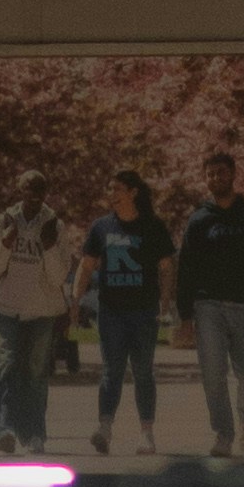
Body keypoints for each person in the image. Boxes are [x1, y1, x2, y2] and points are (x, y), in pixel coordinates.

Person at [173, 146, 244, 458]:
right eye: (210, 173)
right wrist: (184, 315)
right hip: (207, 307)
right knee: (212, 374)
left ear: (232, 175)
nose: (215, 177)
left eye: (221, 172)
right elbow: (187, 269)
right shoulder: (199, 222)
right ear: (204, 178)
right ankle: (223, 434)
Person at [77, 166, 172, 457]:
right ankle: (104, 429)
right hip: (112, 312)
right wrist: (74, 298)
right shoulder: (101, 227)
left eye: (117, 189)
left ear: (133, 193)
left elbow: (167, 268)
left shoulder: (153, 227)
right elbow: (87, 264)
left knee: (143, 372)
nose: (112, 195)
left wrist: (165, 302)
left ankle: (146, 434)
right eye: (110, 190)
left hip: (144, 312)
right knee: (111, 372)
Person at [0, 178, 70, 459]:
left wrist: (50, 247)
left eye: (39, 190)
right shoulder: (5, 220)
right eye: (28, 189)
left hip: (42, 309)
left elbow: (58, 278)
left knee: (35, 370)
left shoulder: (55, 225)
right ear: (20, 191)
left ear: (45, 194)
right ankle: (1, 431)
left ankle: (33, 434)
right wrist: (6, 243)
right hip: (8, 306)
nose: (33, 196)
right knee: (7, 364)